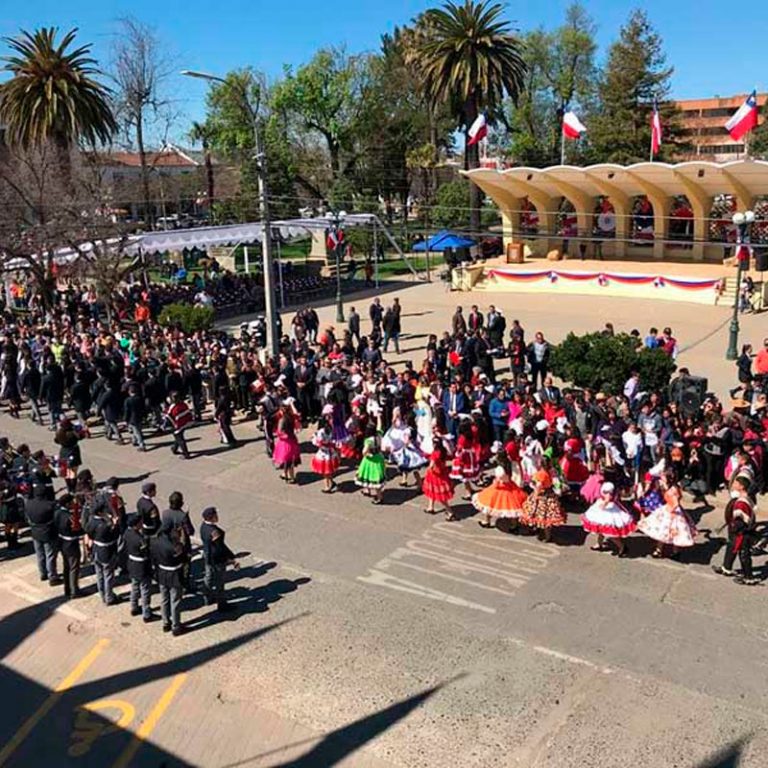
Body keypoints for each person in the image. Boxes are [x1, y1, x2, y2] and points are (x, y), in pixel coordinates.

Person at [636, 470, 696, 558]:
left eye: (663, 477)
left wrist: (670, 511)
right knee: (663, 532)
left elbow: (675, 503)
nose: (661, 477)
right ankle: (660, 550)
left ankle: (672, 551)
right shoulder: (669, 487)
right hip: (668, 509)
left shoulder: (673, 489)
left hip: (672, 512)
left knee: (672, 532)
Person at [712, 477, 759, 585]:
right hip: (738, 531)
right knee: (731, 547)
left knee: (744, 554)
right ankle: (726, 568)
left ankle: (748, 577)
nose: (734, 484)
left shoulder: (741, 503)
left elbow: (740, 521)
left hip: (741, 533)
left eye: (736, 483)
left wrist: (734, 528)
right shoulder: (744, 498)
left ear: (742, 487)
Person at [473, 452, 527, 529]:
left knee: (489, 504)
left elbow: (499, 479)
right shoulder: (508, 465)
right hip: (509, 485)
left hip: (500, 487)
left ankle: (487, 521)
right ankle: (514, 525)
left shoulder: (500, 468)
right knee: (512, 506)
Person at [581, 481, 636, 556]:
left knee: (609, 533)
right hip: (607, 508)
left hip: (608, 510)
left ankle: (622, 547)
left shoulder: (608, 488)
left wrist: (603, 505)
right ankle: (599, 544)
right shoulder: (609, 486)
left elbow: (607, 499)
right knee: (601, 529)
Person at [200, 506, 240, 610]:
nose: (217, 516)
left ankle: (207, 597)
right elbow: (221, 547)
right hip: (217, 559)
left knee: (208, 578)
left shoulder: (203, 526)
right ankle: (222, 605)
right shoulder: (214, 531)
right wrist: (231, 557)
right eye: (215, 515)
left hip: (207, 556)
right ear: (211, 517)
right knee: (219, 582)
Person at [85, 493, 121, 605]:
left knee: (99, 574)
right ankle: (109, 597)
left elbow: (90, 534)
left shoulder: (91, 522)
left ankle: (102, 594)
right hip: (106, 551)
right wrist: (115, 525)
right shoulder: (105, 525)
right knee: (108, 575)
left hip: (96, 550)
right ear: (100, 512)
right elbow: (115, 535)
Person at [150, 520, 185, 635]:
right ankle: (176, 626)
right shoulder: (175, 546)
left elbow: (153, 558)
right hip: (174, 574)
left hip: (162, 573)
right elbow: (183, 558)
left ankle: (166, 622)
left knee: (164, 599)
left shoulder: (155, 542)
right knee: (175, 601)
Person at [25, 482, 60, 585]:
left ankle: (43, 573)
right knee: (50, 555)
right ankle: (52, 576)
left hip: (35, 532)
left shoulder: (29, 503)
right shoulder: (50, 505)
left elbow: (26, 517)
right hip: (48, 532)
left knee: (40, 554)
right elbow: (56, 518)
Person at [161, 491, 195, 593]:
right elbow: (190, 531)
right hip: (182, 544)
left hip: (170, 542)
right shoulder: (182, 516)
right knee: (185, 566)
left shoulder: (165, 513)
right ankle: (185, 585)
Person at [520, 469, 565, 542]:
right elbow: (558, 486)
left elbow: (538, 486)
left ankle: (544, 535)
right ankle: (547, 535)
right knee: (547, 518)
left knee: (540, 517)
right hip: (550, 496)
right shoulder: (553, 472)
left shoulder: (541, 474)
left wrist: (535, 493)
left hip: (541, 497)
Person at [124, 512, 154, 621]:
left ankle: (134, 607)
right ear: (136, 524)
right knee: (145, 590)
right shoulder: (140, 539)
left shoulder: (127, 533)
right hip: (142, 565)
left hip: (132, 563)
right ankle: (147, 613)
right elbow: (147, 552)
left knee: (135, 587)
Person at [54, 493, 84, 597]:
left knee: (66, 566)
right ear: (67, 504)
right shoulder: (69, 517)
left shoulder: (57, 513)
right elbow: (76, 529)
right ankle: (74, 590)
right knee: (74, 567)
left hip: (62, 542)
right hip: (71, 543)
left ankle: (67, 588)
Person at [422, 443, 454, 519]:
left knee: (440, 495)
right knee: (432, 491)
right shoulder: (443, 451)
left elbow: (431, 465)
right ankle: (430, 507)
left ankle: (450, 512)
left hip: (435, 475)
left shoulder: (434, 454)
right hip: (443, 473)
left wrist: (429, 469)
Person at [356, 425, 386, 504]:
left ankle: (379, 497)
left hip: (371, 460)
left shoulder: (368, 440)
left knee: (370, 476)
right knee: (376, 476)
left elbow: (364, 451)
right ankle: (368, 491)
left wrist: (368, 455)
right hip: (379, 458)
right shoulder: (379, 436)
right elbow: (380, 427)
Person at [273, 407, 301, 483]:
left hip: (285, 442)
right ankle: (285, 474)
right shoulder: (292, 417)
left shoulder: (282, 420)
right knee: (291, 459)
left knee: (287, 460)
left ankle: (291, 477)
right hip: (292, 440)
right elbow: (298, 421)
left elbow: (279, 432)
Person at [165, 391, 193, 459]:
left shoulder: (173, 407)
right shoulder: (183, 404)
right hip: (184, 424)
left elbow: (168, 416)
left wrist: (165, 425)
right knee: (178, 437)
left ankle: (186, 454)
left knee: (180, 439)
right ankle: (174, 448)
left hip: (176, 426)